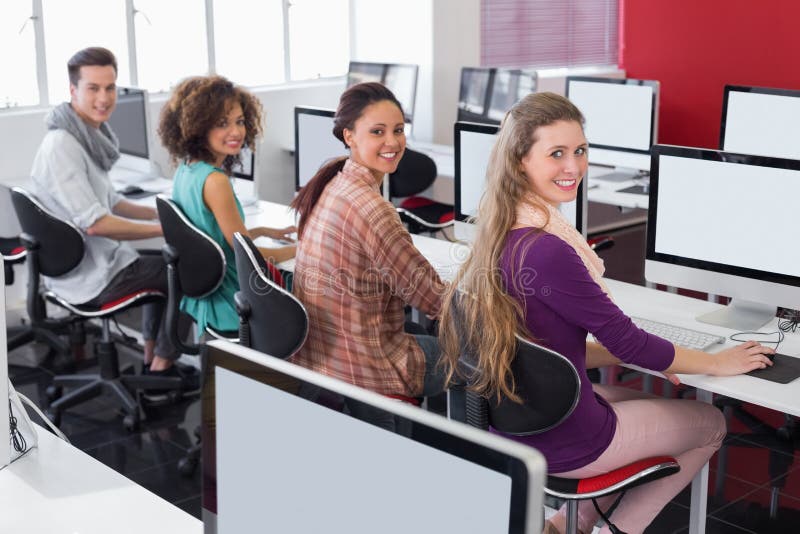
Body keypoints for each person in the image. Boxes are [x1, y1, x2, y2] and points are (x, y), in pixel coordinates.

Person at [438, 92, 775, 534]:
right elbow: (629, 340)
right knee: (710, 422)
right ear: (521, 160)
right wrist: (714, 362)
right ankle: (608, 530)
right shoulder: (547, 250)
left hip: (521, 423)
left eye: (580, 150)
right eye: (556, 153)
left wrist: (662, 355)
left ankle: (563, 527)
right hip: (564, 440)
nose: (574, 167)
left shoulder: (499, 230)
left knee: (644, 403)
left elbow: (557, 351)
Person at [29, 47, 194, 389]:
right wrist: (164, 229)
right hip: (91, 276)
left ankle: (151, 358)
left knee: (165, 265)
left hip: (93, 263)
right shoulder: (63, 145)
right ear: (73, 90)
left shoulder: (85, 134)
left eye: (110, 87)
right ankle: (162, 368)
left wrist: (165, 212)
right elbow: (97, 223)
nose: (104, 98)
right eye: (93, 88)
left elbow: (112, 201)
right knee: (186, 270)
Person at [289, 82, 446, 426]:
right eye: (378, 131)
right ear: (349, 136)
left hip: (320, 356)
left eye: (399, 130)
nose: (392, 142)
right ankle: (480, 457)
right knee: (478, 355)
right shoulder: (372, 209)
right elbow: (435, 300)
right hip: (368, 367)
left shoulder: (332, 181)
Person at [158, 75, 295, 334]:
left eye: (240, 121)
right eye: (222, 123)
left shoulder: (187, 171)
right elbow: (249, 257)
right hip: (235, 300)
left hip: (210, 297)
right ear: (199, 127)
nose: (236, 132)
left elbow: (215, 240)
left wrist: (265, 231)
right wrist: (299, 250)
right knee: (310, 282)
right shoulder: (215, 182)